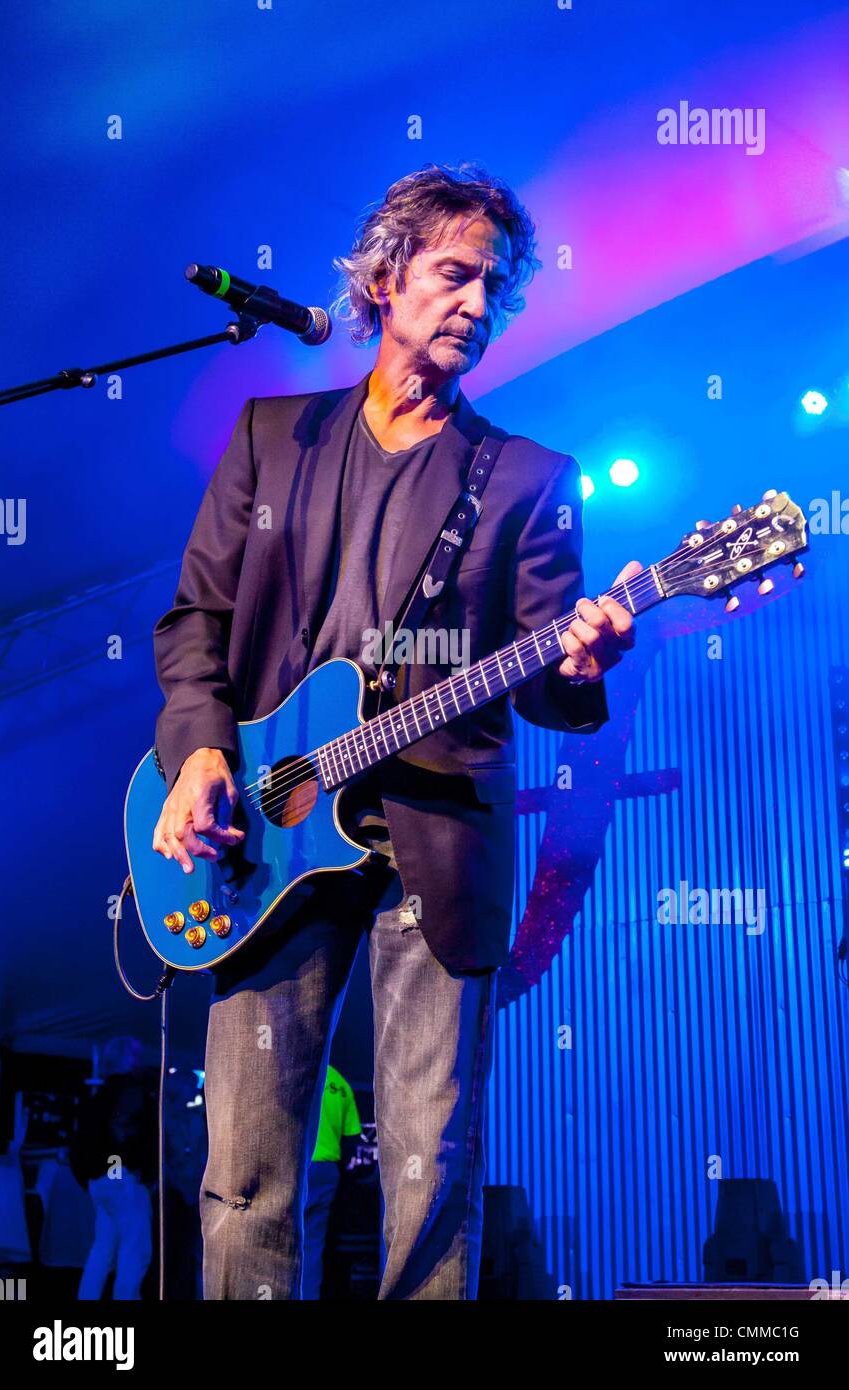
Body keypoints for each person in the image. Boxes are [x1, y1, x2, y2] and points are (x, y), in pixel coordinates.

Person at [151, 162, 638, 1300]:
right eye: (455, 274)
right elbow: (195, 621)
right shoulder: (274, 438)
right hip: (268, 836)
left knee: (432, 1169)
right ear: (383, 276)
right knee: (247, 1177)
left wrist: (584, 659)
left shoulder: (526, 479)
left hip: (436, 834)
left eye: (495, 286)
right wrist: (202, 753)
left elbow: (548, 688)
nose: (476, 303)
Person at [69, 1037, 155, 1300]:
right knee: (134, 1249)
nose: (139, 1060)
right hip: (120, 1176)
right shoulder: (130, 1092)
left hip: (102, 1179)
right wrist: (137, 1169)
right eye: (135, 1055)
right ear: (126, 1058)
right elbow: (126, 1134)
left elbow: (81, 1142)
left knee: (103, 1249)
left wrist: (91, 1176)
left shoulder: (97, 1097)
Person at [301, 1064, 362, 1300]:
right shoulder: (341, 1083)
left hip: (292, 1165)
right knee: (312, 1244)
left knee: (276, 1236)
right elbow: (352, 1138)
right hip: (326, 1171)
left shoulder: (293, 1068)